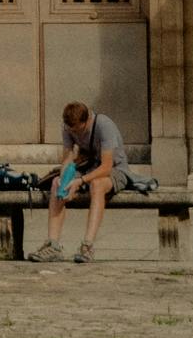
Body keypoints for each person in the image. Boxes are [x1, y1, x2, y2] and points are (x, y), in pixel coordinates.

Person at [34, 101, 128, 264]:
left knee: (97, 185)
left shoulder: (104, 126)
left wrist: (80, 181)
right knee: (57, 183)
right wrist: (65, 180)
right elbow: (68, 157)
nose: (74, 133)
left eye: (78, 130)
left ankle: (87, 246)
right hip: (87, 167)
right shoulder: (67, 127)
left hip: (115, 170)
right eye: (71, 130)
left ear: (87, 121)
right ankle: (53, 245)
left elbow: (107, 167)